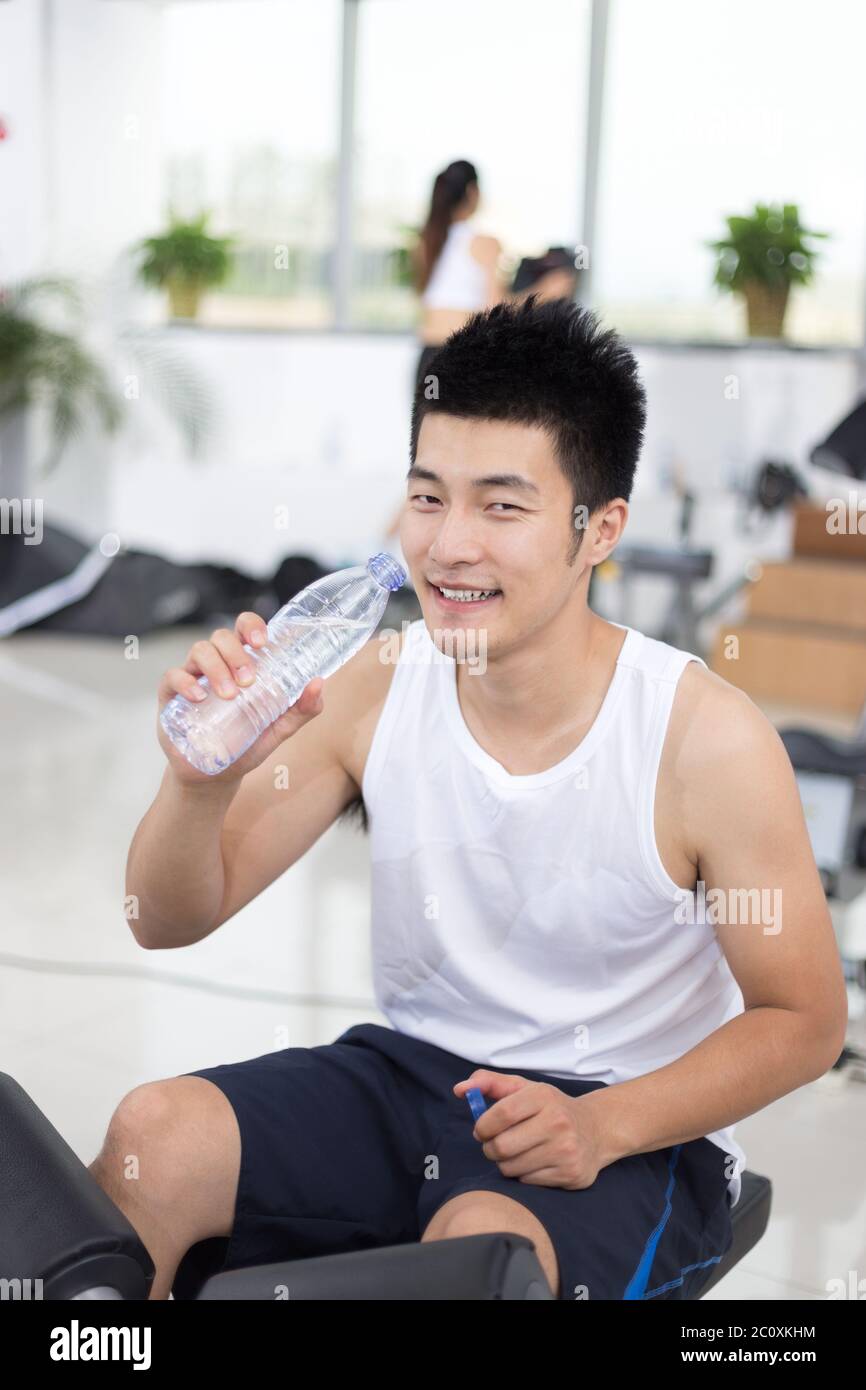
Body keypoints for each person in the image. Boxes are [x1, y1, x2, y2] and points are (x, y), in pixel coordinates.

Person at [92, 297, 847, 1301]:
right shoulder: (371, 685)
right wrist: (199, 785)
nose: (448, 546)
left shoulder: (704, 737)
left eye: (501, 507)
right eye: (426, 496)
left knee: (477, 1251)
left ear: (599, 528)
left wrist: (602, 1123)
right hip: (413, 1075)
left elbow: (805, 1018)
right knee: (153, 1136)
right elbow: (164, 920)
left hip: (628, 1120)